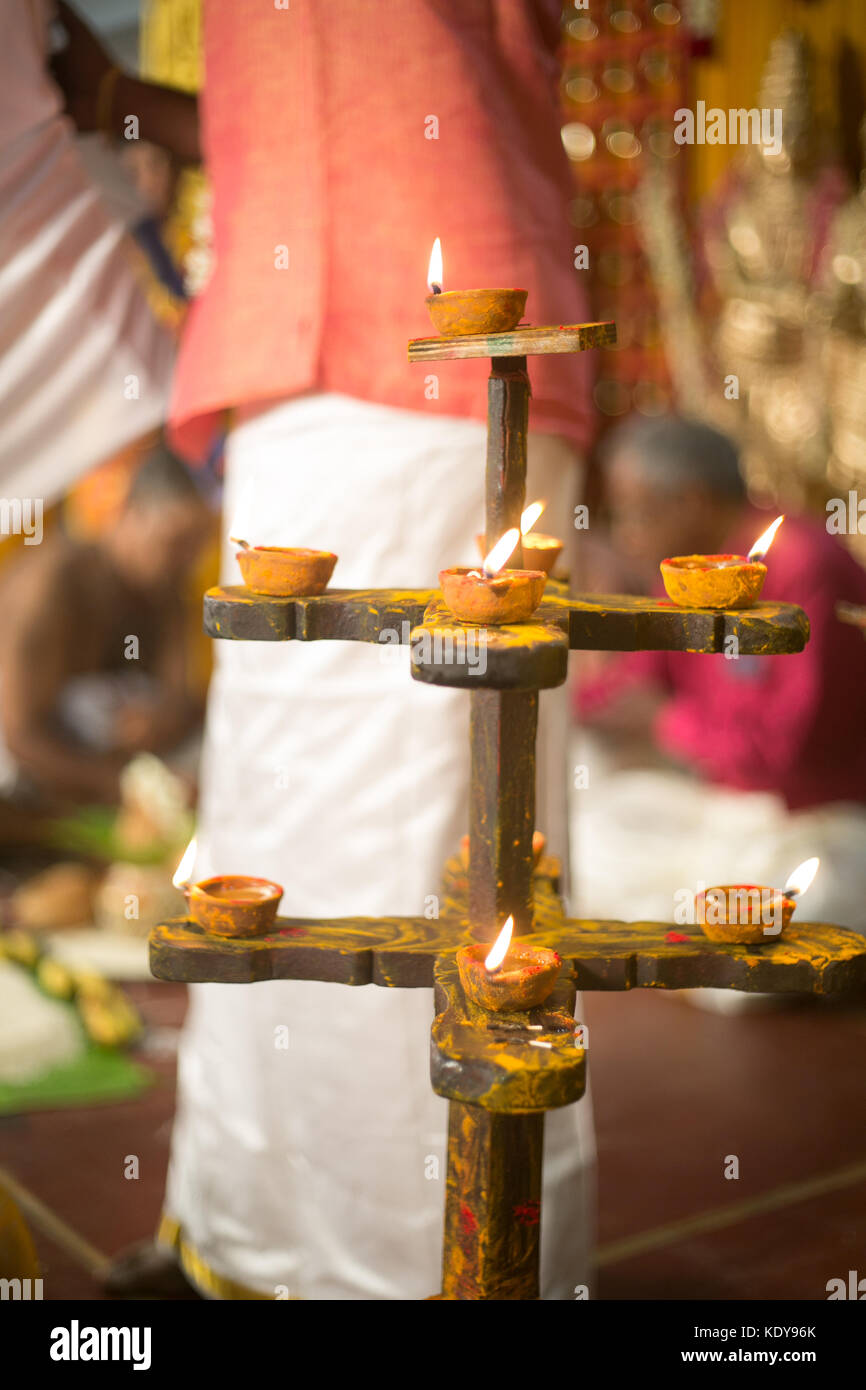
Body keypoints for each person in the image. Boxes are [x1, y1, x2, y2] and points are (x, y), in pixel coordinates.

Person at [57, 1, 598, 1300]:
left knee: (411, 858)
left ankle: (405, 1269)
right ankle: (242, 1243)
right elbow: (279, 115)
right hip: (299, 349)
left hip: (425, 321)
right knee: (268, 839)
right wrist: (123, 98)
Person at [572, 415, 866, 942]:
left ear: (691, 500)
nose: (627, 537)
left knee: (802, 902)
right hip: (724, 811)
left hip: (817, 820)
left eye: (635, 517)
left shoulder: (800, 565)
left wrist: (666, 721)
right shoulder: (689, 574)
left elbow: (783, 750)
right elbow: (630, 684)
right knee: (584, 829)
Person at [0, 446, 210, 808]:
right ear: (129, 515)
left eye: (195, 549)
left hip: (105, 770)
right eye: (174, 543)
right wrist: (129, 787)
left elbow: (182, 701)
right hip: (24, 776)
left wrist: (164, 719)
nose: (185, 562)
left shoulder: (165, 587)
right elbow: (19, 736)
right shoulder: (50, 587)